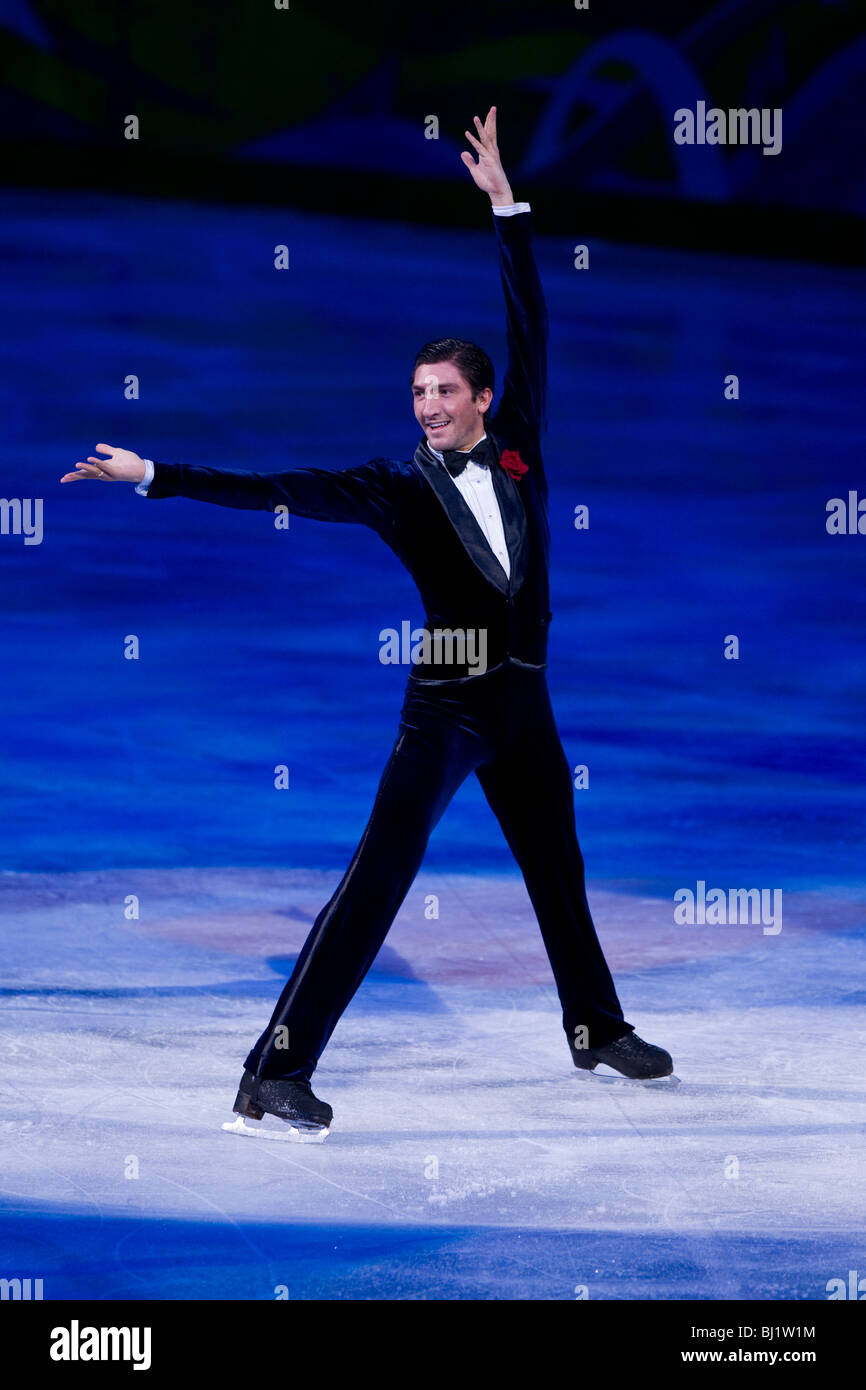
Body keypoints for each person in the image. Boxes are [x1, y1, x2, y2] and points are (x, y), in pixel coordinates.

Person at [62, 107, 673, 1138]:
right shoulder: (394, 485)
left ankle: (594, 1027)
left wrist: (503, 207)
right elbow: (276, 485)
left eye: (443, 391)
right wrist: (156, 474)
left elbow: (532, 323)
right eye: (416, 393)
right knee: (378, 876)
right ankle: (273, 1069)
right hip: (445, 700)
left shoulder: (517, 442)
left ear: (482, 399)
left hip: (523, 695)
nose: (427, 407)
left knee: (557, 866)